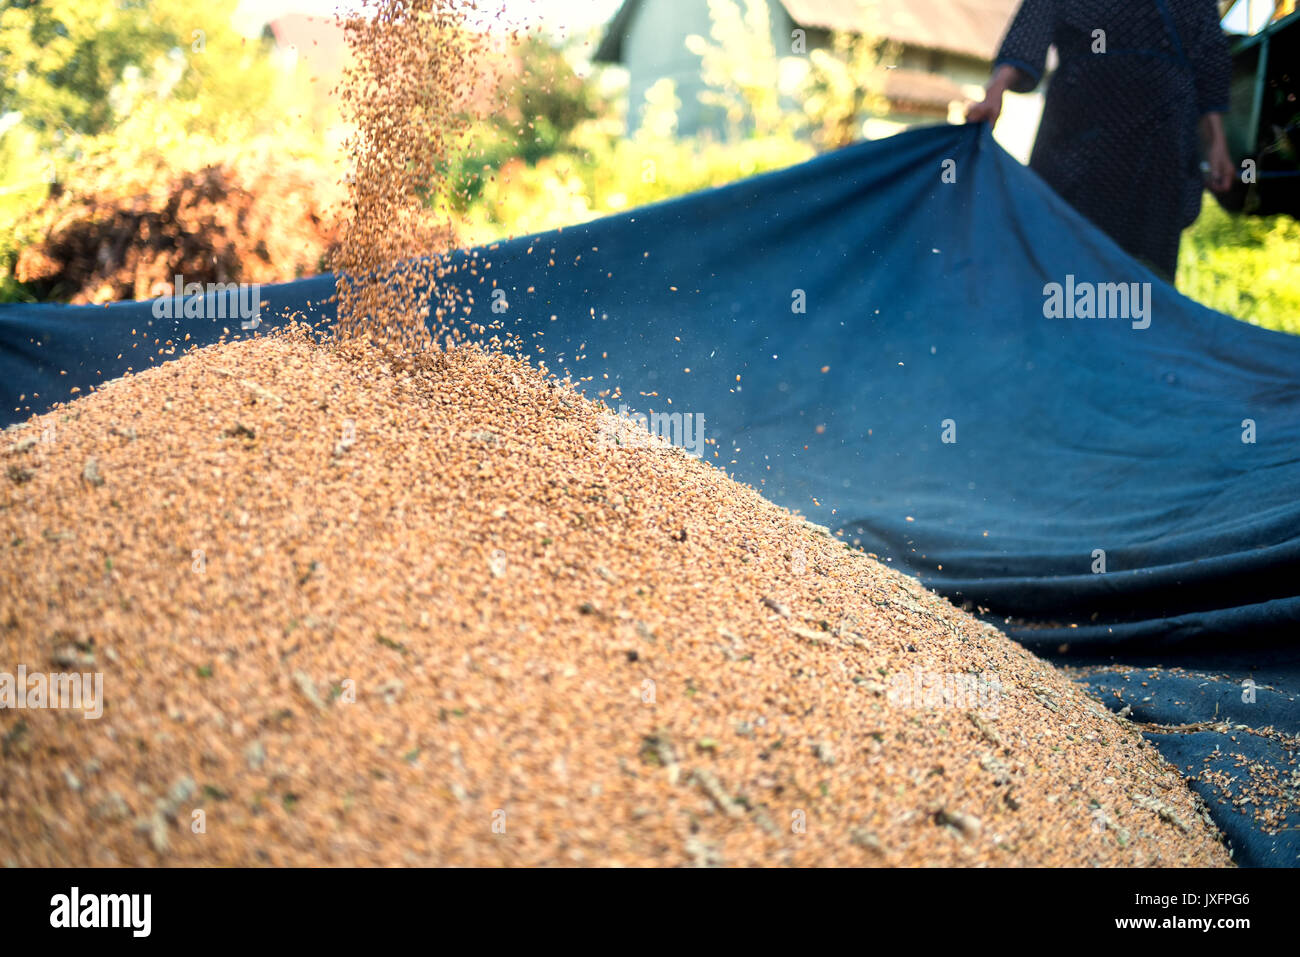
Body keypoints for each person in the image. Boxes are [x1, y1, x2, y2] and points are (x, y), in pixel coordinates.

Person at [967, 0, 1235, 282]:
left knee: (1144, 274)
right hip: (1077, 133)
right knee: (1057, 261)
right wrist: (995, 91)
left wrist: (1217, 143)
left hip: (1161, 144)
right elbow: (1030, 30)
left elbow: (1210, 62)